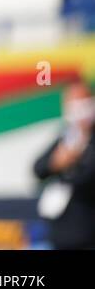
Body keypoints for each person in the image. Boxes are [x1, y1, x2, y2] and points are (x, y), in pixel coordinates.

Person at [33, 80, 95, 249]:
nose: (79, 111)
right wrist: (57, 163)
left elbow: (86, 181)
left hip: (87, 233)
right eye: (73, 105)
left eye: (84, 104)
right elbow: (39, 168)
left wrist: (73, 162)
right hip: (59, 234)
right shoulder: (66, 137)